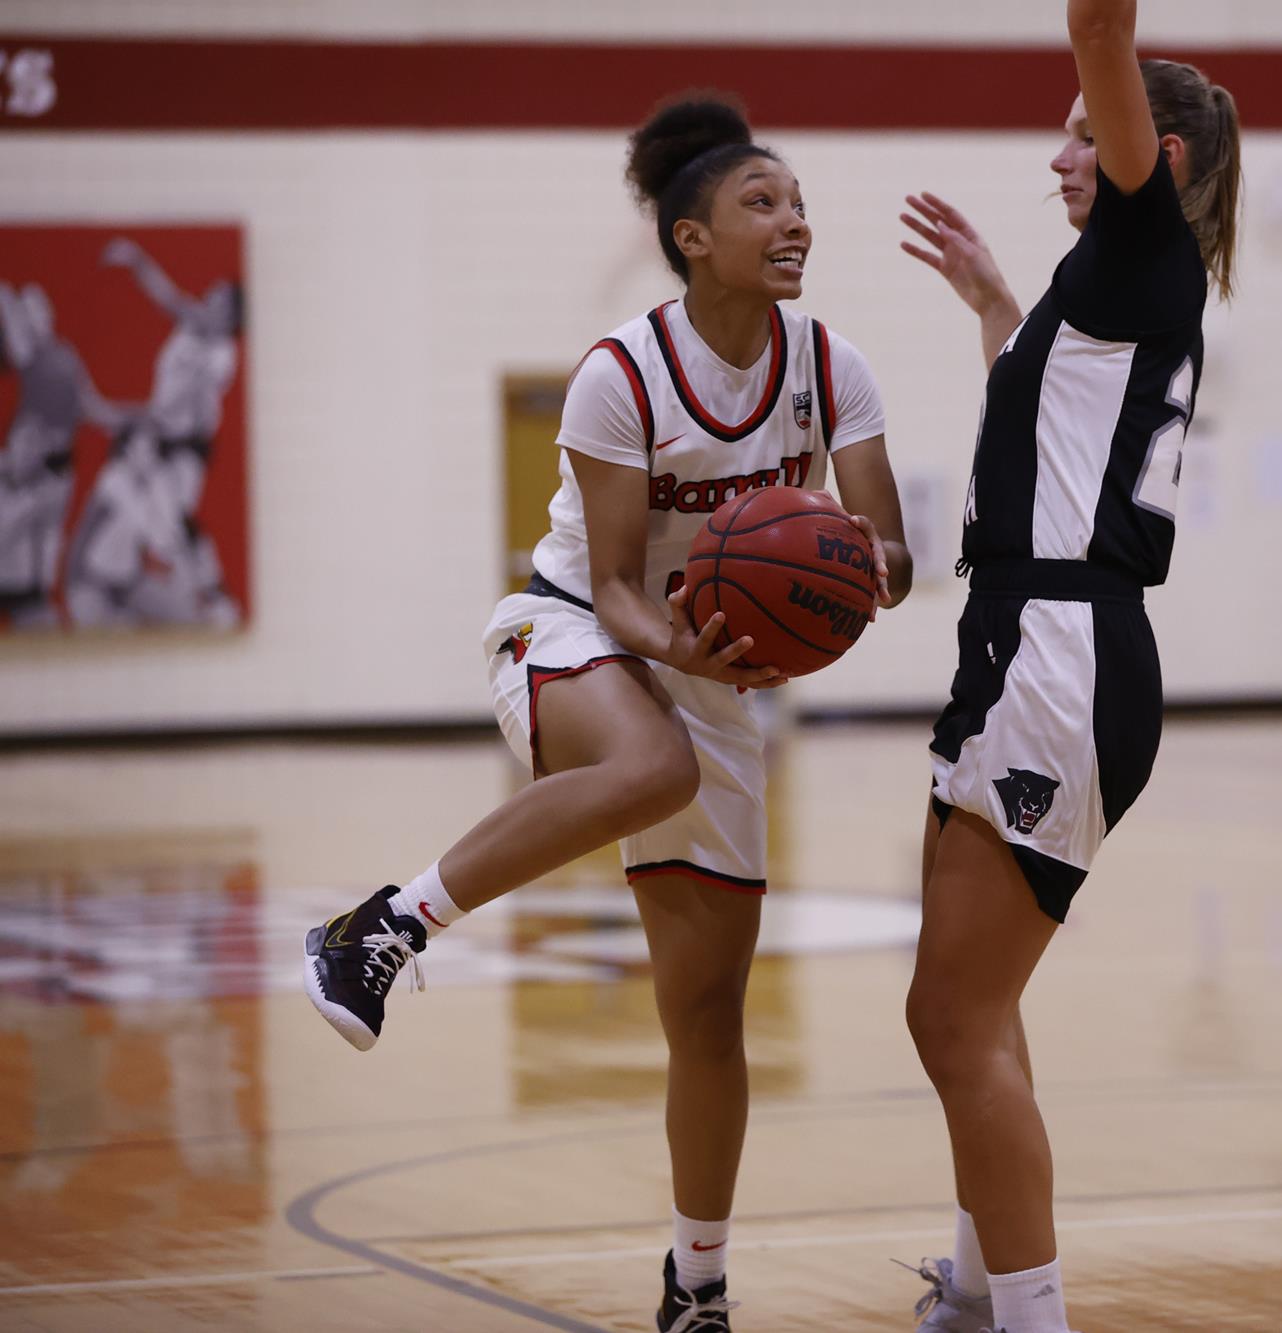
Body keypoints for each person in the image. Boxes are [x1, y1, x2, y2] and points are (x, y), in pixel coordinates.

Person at [302, 94, 912, 1333]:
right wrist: (687, 643)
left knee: (709, 1013)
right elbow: (624, 586)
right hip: (575, 626)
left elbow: (890, 553)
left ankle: (697, 1286)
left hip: (711, 671)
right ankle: (384, 925)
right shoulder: (619, 375)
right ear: (692, 237)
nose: (794, 220)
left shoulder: (829, 366)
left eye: (799, 202)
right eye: (762, 202)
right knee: (651, 768)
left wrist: (852, 566)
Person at [898, 4, 1241, 1329]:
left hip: (1060, 649)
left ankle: (1025, 1317)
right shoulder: (1103, 287)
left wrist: (1098, 45)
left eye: (1081, 133)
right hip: (1022, 640)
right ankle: (983, 1290)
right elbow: (1044, 438)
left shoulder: (1144, 244)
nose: (1057, 156)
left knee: (951, 1019)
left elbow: (1100, 20)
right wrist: (996, 304)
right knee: (970, 1009)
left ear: (1152, 152)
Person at [97, 237, 245, 625]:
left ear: (230, 320)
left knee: (175, 520)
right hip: (159, 435)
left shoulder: (221, 355)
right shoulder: (191, 323)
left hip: (185, 446)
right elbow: (168, 297)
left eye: (217, 302)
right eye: (209, 296)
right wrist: (137, 260)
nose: (207, 302)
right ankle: (136, 586)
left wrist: (133, 417)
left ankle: (212, 595)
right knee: (138, 506)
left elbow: (182, 407)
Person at [0, 282, 126, 627]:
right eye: (26, 312)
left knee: (45, 550)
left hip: (58, 472)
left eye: (39, 307)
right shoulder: (26, 354)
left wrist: (132, 416)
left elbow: (92, 406)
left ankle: (44, 603)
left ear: (51, 314)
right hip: (26, 471)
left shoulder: (66, 356)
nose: (34, 316)